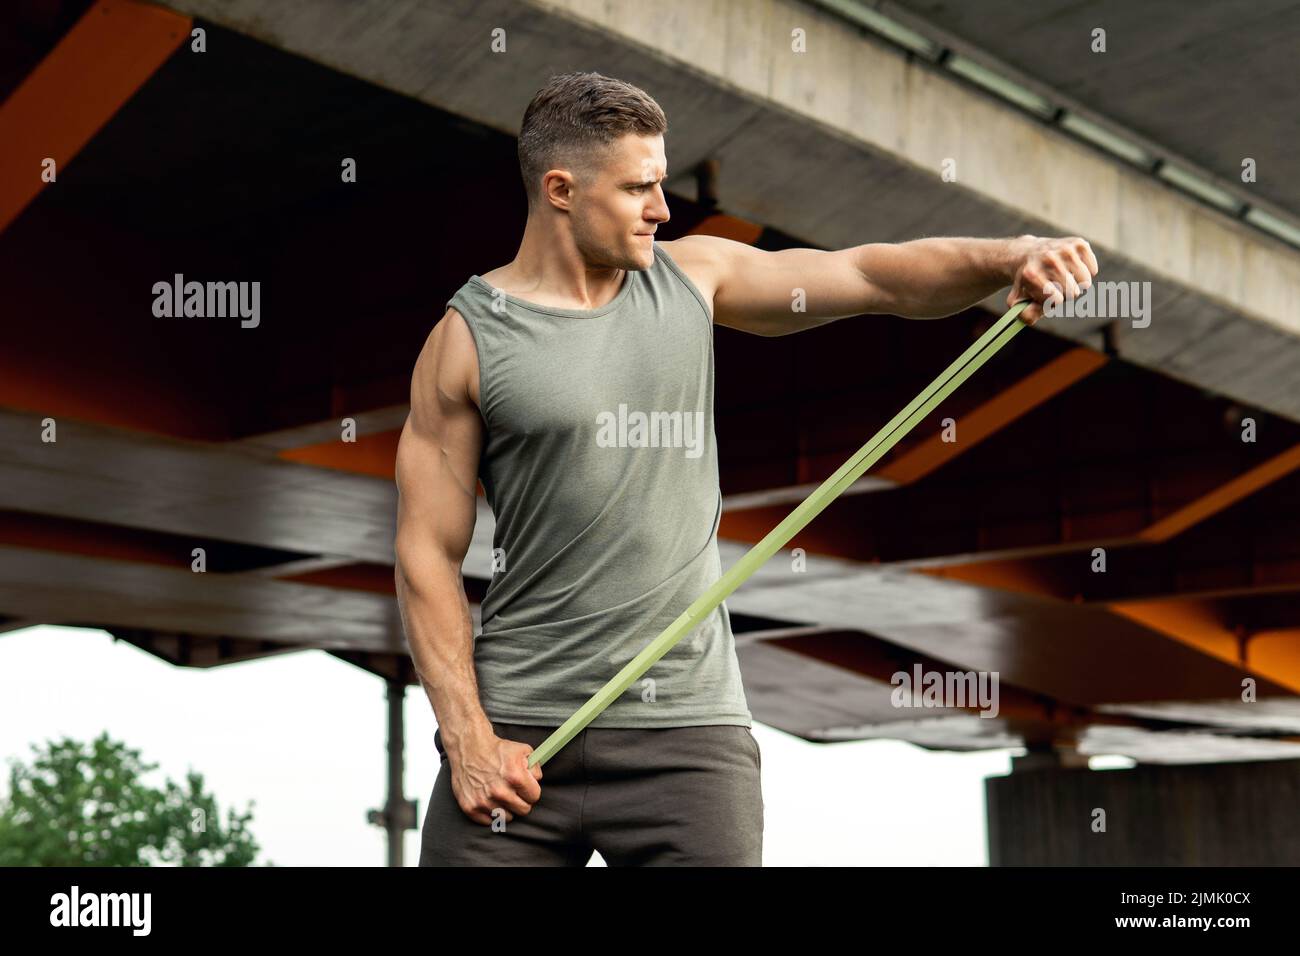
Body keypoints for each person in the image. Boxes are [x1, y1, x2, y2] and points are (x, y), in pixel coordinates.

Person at [394, 71, 1099, 866]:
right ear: (560, 189)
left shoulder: (693, 278)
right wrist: (467, 738)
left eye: (661, 183)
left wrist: (1013, 255)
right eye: (638, 189)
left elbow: (872, 276)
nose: (662, 208)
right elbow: (426, 554)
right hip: (515, 738)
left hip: (687, 738)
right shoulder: (466, 339)